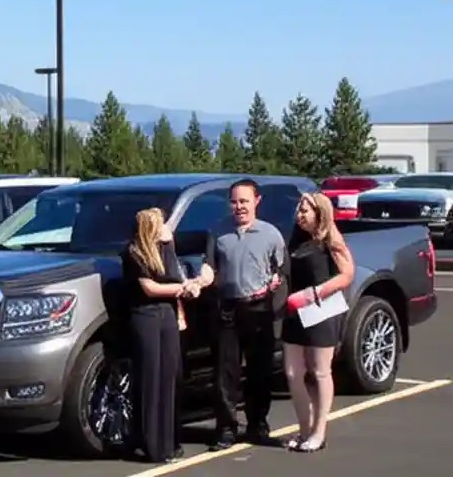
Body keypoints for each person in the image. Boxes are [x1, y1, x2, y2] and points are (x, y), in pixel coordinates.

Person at [202, 178, 288, 450]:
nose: (238, 207)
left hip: (259, 308)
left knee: (259, 372)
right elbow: (209, 268)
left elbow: (281, 270)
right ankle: (226, 428)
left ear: (257, 201)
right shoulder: (218, 232)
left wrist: (276, 284)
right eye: (234, 201)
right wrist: (199, 280)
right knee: (225, 374)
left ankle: (257, 425)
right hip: (227, 309)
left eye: (244, 201)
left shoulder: (271, 234)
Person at [122, 207, 199, 464]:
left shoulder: (163, 252)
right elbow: (151, 288)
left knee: (169, 377)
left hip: (166, 315)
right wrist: (182, 288)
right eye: (159, 224)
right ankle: (151, 443)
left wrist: (170, 245)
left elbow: (173, 274)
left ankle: (169, 442)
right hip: (146, 316)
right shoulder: (133, 254)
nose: (164, 228)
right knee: (151, 379)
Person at [281, 191, 355, 453]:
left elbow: (347, 274)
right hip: (294, 312)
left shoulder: (330, 239)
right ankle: (304, 429)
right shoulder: (296, 239)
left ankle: (318, 432)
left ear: (319, 213)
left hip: (321, 311)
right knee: (293, 373)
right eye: (299, 209)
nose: (300, 214)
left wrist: (314, 293)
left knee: (320, 371)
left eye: (305, 210)